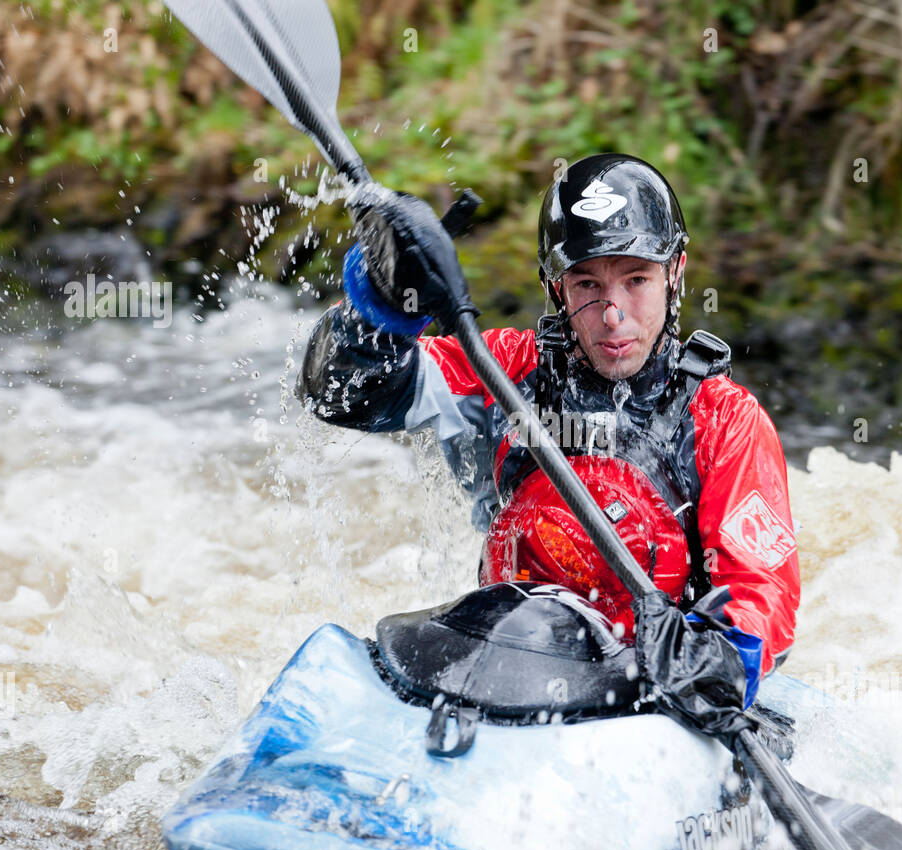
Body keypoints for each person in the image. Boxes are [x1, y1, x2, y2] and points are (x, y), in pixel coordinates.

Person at [297, 153, 800, 734]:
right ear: (553, 286)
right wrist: (382, 304)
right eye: (587, 283)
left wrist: (713, 662)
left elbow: (760, 589)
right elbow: (343, 393)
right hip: (502, 671)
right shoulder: (501, 371)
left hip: (649, 701)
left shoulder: (723, 419)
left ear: (676, 272)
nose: (612, 315)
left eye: (636, 280)